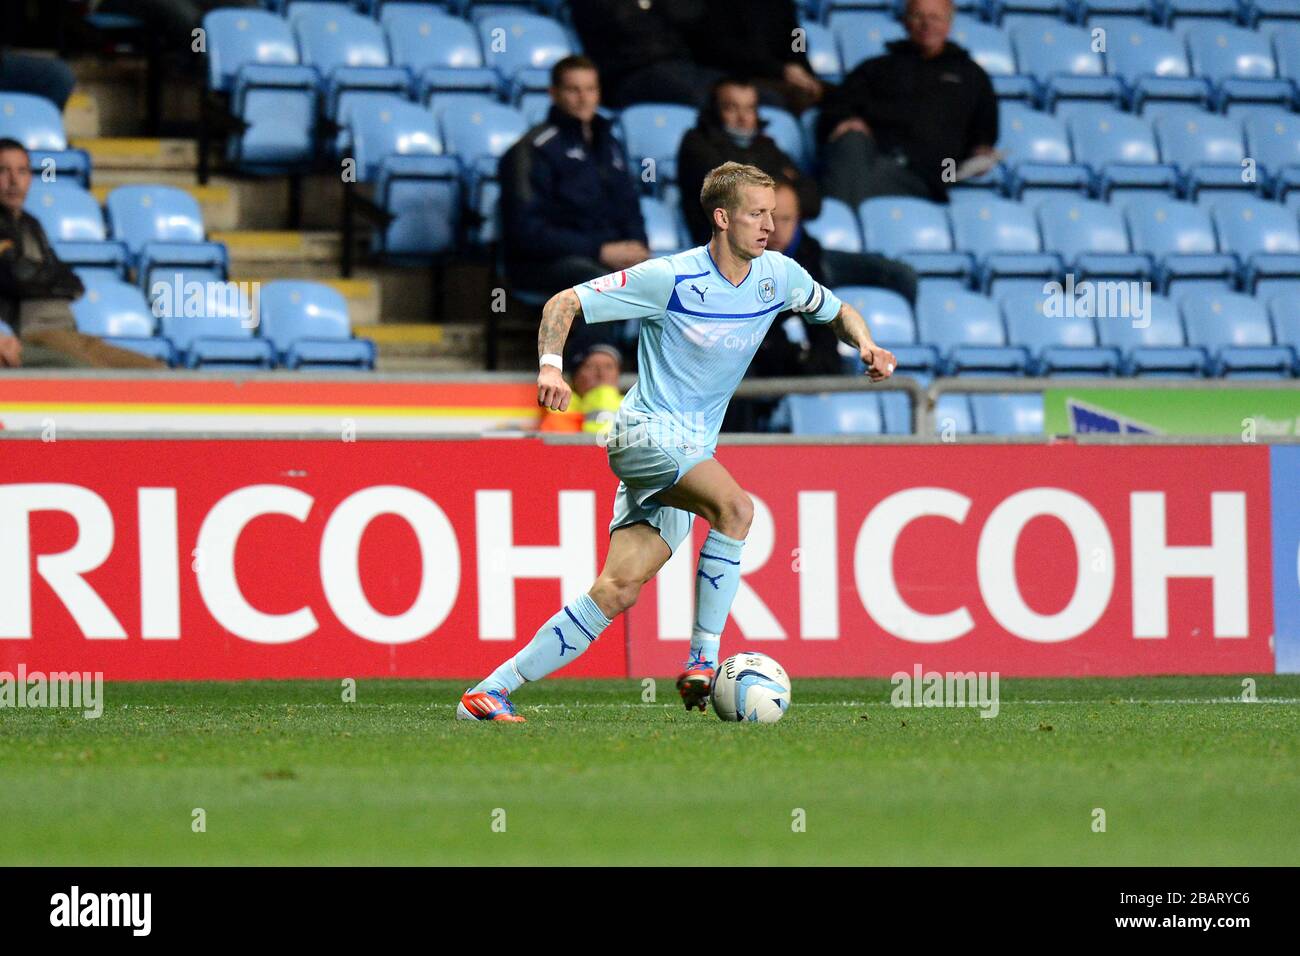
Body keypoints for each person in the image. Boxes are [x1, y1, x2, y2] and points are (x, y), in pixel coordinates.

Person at [457, 162, 896, 722]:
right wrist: (550, 368)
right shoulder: (668, 278)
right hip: (644, 434)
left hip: (688, 451)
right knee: (736, 509)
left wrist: (867, 345)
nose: (770, 225)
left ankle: (489, 692)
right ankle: (703, 661)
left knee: (616, 590)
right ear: (722, 216)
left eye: (774, 214)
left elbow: (837, 311)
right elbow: (562, 303)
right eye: (757, 213)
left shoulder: (778, 276)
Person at [499, 55, 649, 349]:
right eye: (573, 90)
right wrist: (600, 250)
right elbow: (526, 233)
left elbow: (629, 207)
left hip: (604, 257)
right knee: (601, 283)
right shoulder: (530, 150)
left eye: (590, 89)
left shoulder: (610, 145)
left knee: (680, 280)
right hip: (543, 263)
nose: (584, 99)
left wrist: (637, 247)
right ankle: (590, 370)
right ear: (553, 94)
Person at [816, 0, 997, 206]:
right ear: (905, 22)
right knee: (851, 143)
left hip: (924, 176)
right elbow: (836, 111)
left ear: (949, 24)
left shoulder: (972, 77)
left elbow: (984, 134)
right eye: (918, 16)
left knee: (851, 182)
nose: (926, 24)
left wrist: (981, 152)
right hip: (869, 157)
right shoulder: (875, 68)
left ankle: (839, 224)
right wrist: (847, 121)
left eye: (935, 17)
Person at [0, 138, 161, 369]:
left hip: (70, 330)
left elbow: (74, 282)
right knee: (103, 379)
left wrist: (47, 277)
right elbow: (18, 275)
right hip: (36, 333)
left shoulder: (32, 223)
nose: (14, 181)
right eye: (3, 171)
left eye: (22, 171)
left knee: (156, 371)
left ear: (31, 177)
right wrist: (56, 279)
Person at [677, 77, 821, 245]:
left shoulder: (766, 145)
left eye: (750, 108)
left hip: (779, 248)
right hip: (725, 247)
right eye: (732, 108)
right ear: (714, 111)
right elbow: (733, 196)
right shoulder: (696, 143)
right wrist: (783, 183)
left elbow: (812, 201)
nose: (743, 117)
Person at [567, 0, 720, 109]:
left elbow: (690, 12)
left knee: (734, 89)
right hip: (627, 74)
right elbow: (622, 23)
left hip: (677, 66)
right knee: (718, 98)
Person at [689, 0, 824, 113]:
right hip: (743, 77)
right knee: (800, 96)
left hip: (784, 75)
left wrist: (805, 72)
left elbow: (797, 36)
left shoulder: (782, 3)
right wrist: (781, 70)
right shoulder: (718, 5)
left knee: (835, 96)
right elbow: (727, 50)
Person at [537, 342, 624, 435]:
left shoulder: (635, 407)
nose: (601, 374)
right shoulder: (556, 410)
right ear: (575, 376)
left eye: (609, 367)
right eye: (591, 367)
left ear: (618, 374)